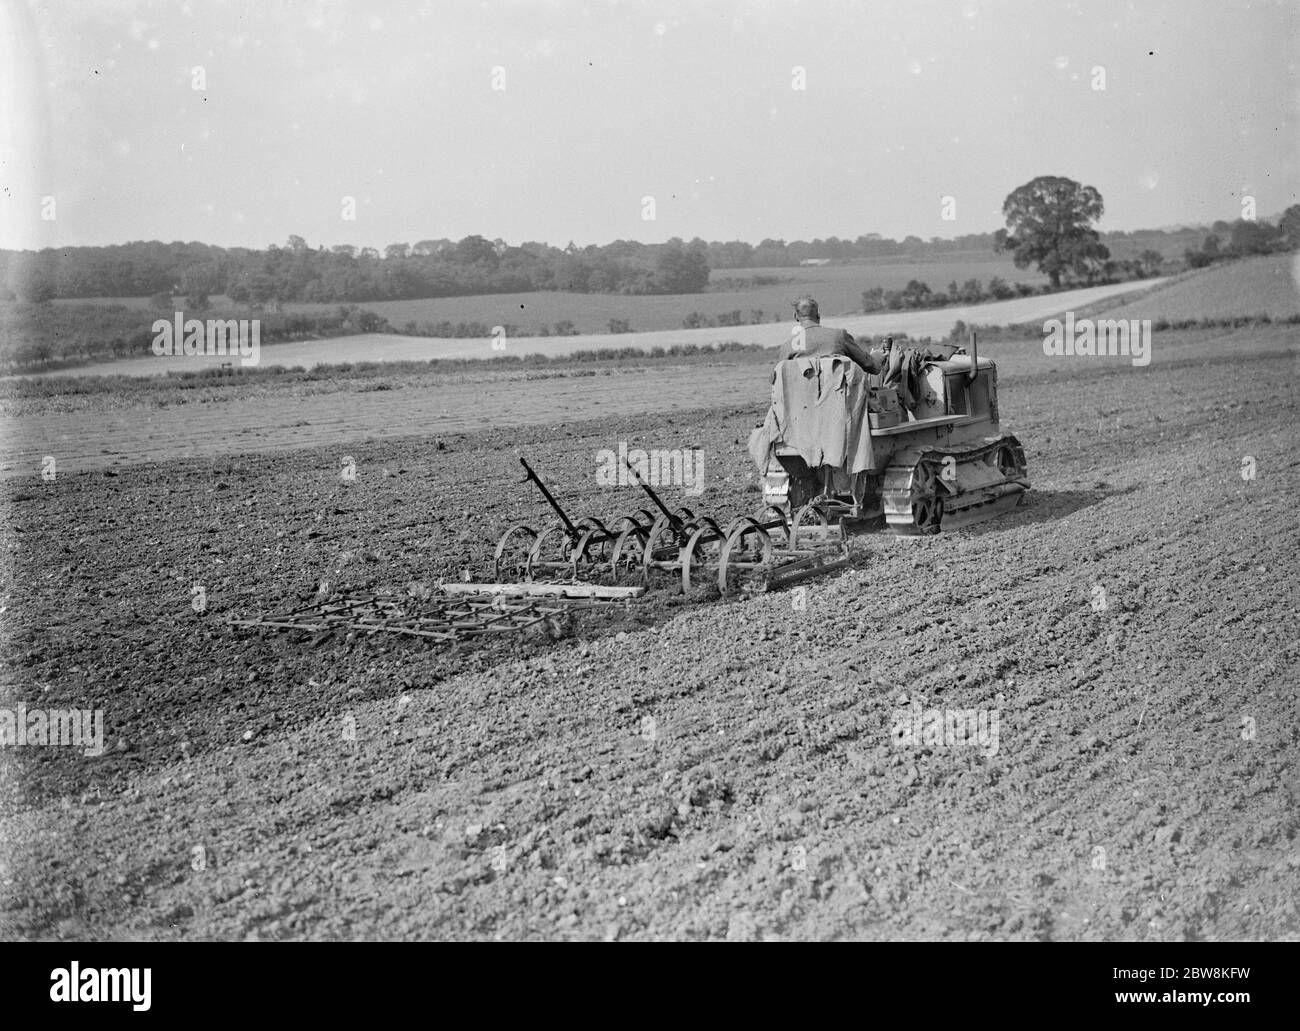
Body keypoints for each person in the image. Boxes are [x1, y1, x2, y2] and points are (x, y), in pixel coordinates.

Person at [786, 296, 881, 375]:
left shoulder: (788, 346)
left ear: (795, 316)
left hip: (801, 396)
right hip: (839, 396)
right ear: (818, 315)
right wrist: (878, 356)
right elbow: (871, 366)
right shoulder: (839, 336)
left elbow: (775, 378)